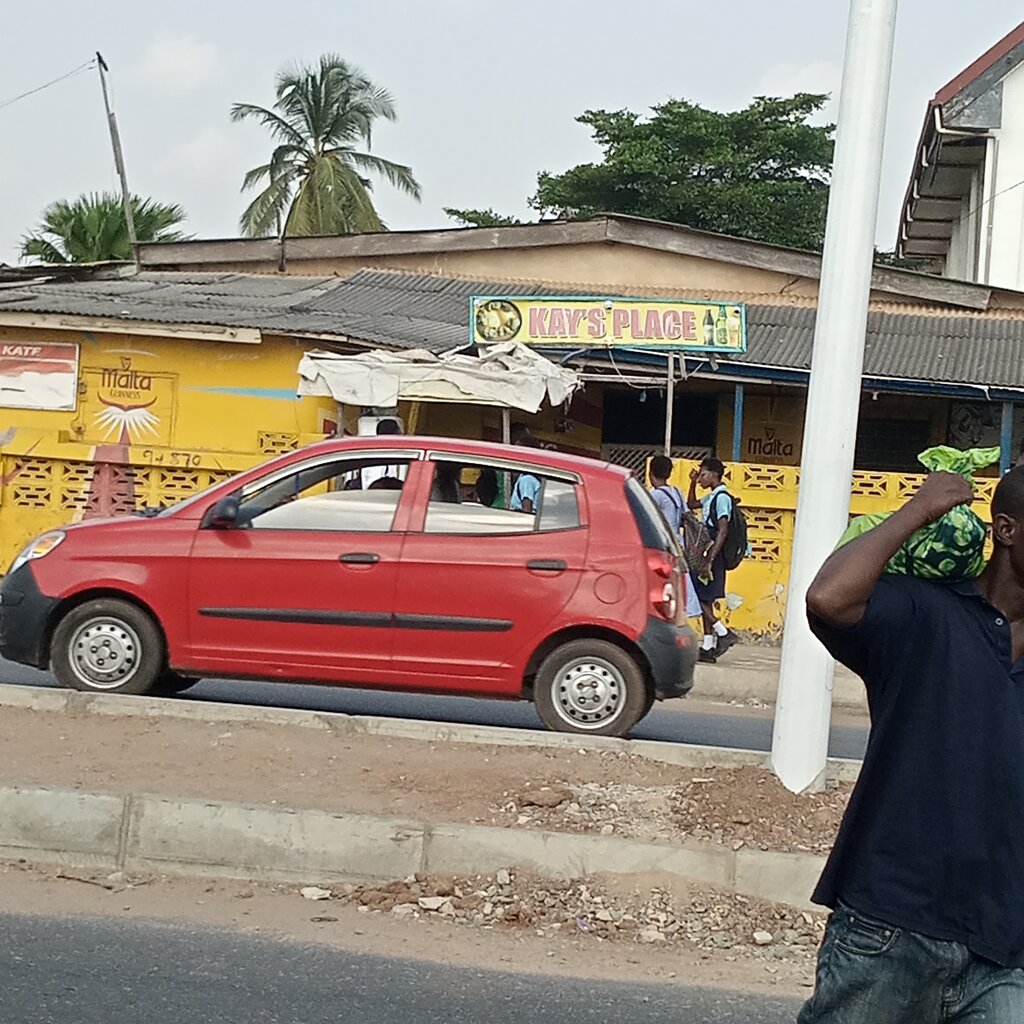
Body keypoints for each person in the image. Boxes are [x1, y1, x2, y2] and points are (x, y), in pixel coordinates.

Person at [798, 468, 1024, 1022]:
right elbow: (829, 598)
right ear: (1008, 530)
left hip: (1004, 950)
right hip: (889, 926)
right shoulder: (925, 612)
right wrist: (918, 510)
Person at [687, 457, 738, 662]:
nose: (700, 479)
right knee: (705, 597)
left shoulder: (722, 498)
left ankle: (723, 633)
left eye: (703, 475)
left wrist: (709, 560)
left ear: (714, 475)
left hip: (712, 555)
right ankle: (708, 646)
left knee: (698, 595)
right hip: (708, 553)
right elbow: (691, 503)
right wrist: (691, 483)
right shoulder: (711, 497)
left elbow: (722, 530)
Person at [648, 455, 702, 622]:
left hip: (663, 544)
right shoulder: (677, 492)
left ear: (651, 473)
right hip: (679, 543)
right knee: (681, 584)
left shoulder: (656, 495)